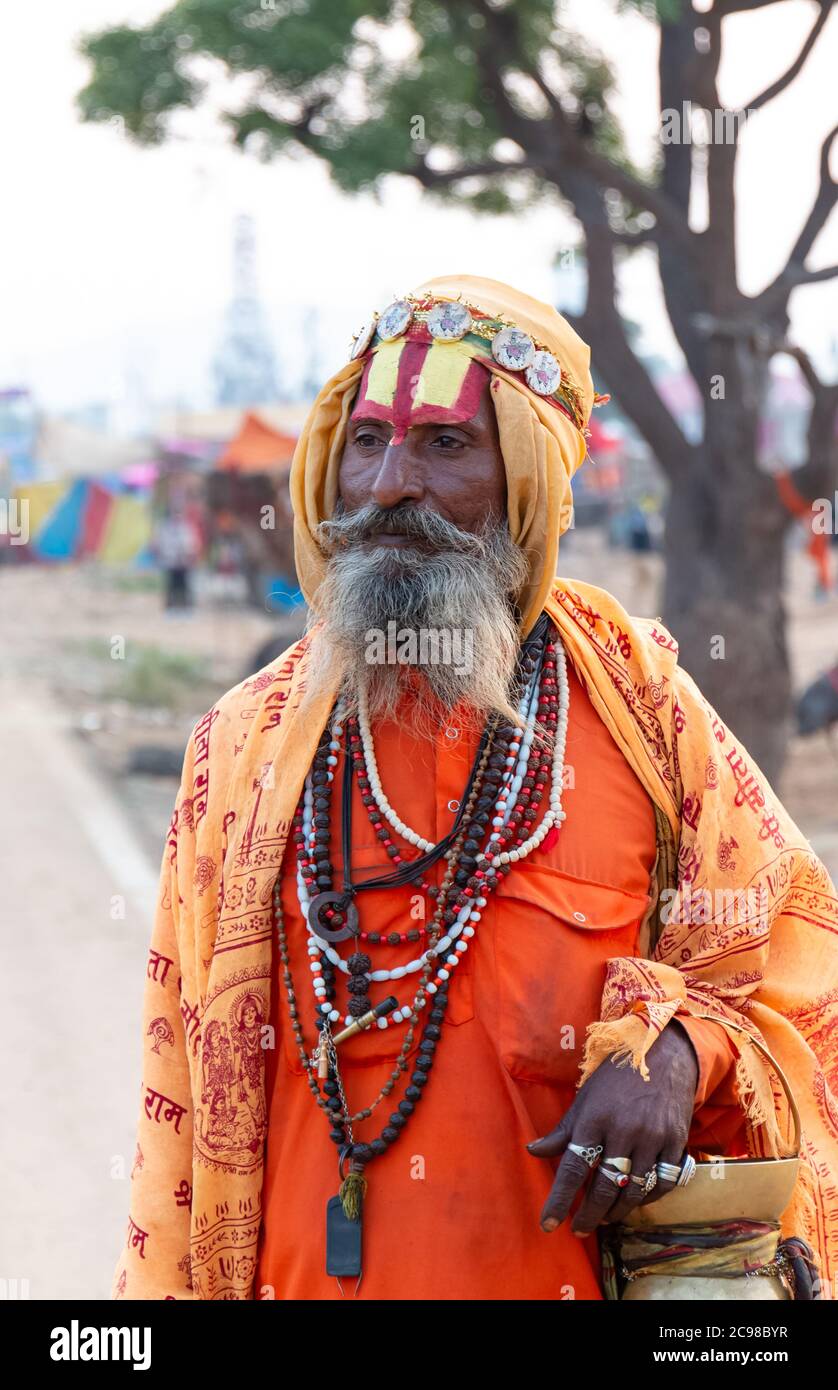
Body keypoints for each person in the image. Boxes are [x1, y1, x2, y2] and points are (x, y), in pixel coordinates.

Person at [112, 275, 838, 1301]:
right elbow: (176, 1104)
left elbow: (801, 973)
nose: (389, 482)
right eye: (366, 441)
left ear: (531, 478)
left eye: (445, 445)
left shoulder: (645, 718)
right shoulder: (238, 749)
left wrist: (682, 1049)